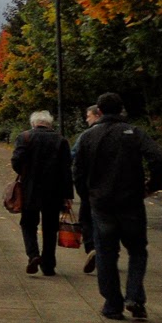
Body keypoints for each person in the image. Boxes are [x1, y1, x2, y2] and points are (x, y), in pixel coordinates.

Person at [73, 92, 162, 320]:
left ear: (100, 111)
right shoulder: (133, 133)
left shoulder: (87, 137)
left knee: (106, 253)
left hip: (102, 203)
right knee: (137, 250)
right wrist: (151, 185)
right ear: (121, 109)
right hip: (131, 201)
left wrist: (87, 195)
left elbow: (78, 170)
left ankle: (112, 303)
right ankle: (134, 296)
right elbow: (158, 158)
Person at [11, 110, 73, 276]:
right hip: (54, 190)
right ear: (49, 124)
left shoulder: (25, 137)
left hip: (30, 188)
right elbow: (66, 170)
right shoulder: (61, 140)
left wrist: (25, 173)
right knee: (50, 227)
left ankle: (33, 254)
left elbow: (16, 161)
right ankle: (48, 265)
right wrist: (68, 196)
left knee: (28, 223)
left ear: (33, 123)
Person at [71, 104, 103, 273]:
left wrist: (79, 186)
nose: (86, 119)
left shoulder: (87, 136)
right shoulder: (128, 132)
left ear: (98, 115)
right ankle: (109, 252)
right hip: (117, 189)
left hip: (91, 187)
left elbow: (74, 158)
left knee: (86, 218)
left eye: (88, 116)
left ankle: (91, 247)